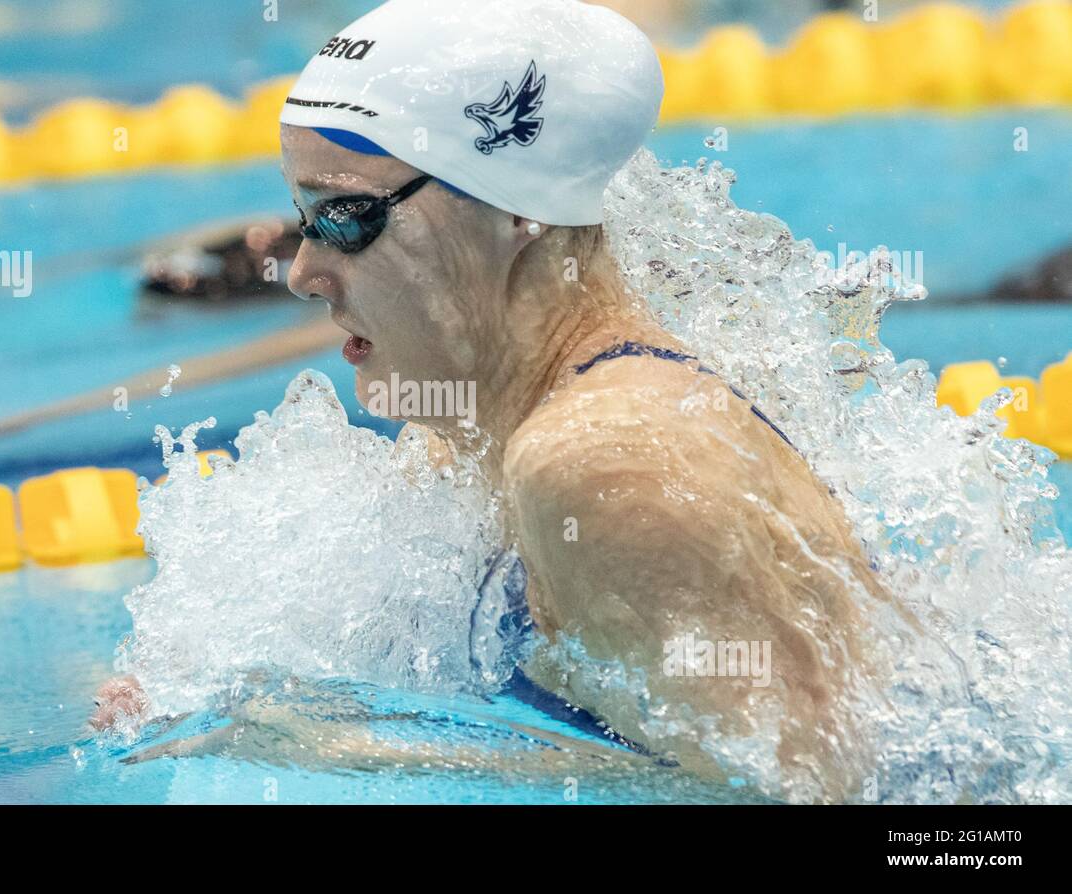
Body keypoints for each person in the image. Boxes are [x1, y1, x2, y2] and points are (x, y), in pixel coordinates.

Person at [95, 0, 894, 802]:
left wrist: (331, 747)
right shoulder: (464, 431)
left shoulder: (607, 465)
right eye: (301, 219)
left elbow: (817, 788)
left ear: (515, 213)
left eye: (344, 218)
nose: (301, 272)